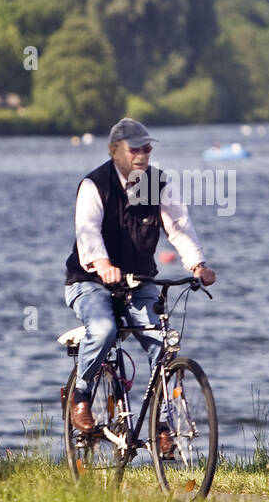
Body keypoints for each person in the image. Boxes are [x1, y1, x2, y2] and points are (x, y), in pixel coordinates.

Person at [64, 118, 216, 434]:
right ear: (114, 150)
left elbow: (179, 227)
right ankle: (80, 395)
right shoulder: (95, 185)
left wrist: (197, 265)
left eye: (147, 148)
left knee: (163, 345)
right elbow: (87, 231)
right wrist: (102, 264)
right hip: (90, 282)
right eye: (134, 149)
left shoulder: (157, 184)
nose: (142, 155)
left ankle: (164, 426)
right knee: (104, 330)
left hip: (139, 283)